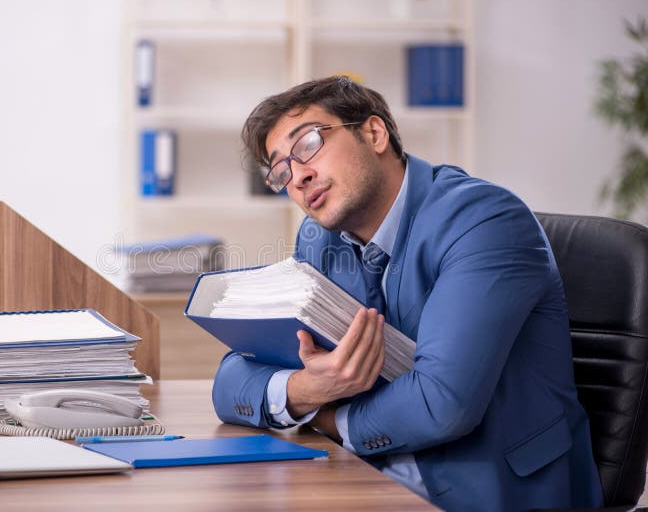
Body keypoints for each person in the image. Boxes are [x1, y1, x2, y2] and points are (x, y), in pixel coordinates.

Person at [211, 76, 603, 512]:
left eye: (308, 145)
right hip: (363, 479)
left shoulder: (485, 221)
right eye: (281, 170)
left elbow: (442, 404)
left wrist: (324, 415)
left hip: (487, 491)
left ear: (374, 133)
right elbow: (231, 380)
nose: (298, 177)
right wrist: (307, 386)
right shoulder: (320, 240)